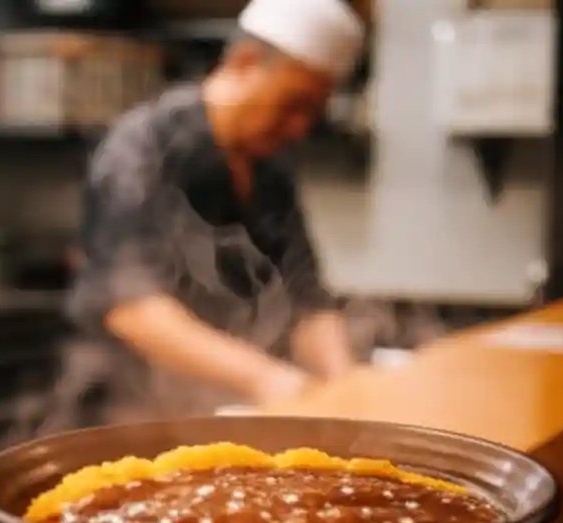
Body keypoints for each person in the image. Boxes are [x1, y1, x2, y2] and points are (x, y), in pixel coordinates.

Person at [65, 0, 366, 423]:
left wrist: (345, 383)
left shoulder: (267, 166)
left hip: (223, 406)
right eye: (294, 103)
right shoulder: (141, 146)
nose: (299, 128)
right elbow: (132, 308)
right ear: (245, 62)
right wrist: (269, 379)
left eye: (312, 113)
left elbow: (305, 294)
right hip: (128, 407)